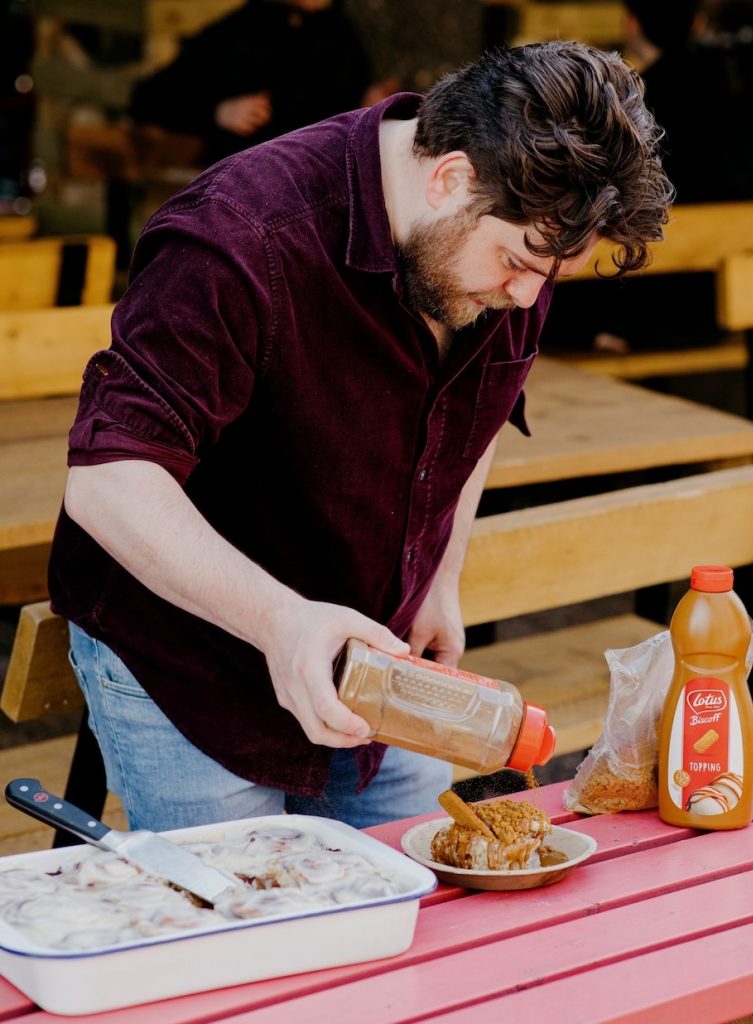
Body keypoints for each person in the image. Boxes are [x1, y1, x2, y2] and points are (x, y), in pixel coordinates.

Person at [48, 40, 673, 833]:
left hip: (375, 654)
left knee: (420, 911)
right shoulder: (239, 234)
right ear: (449, 179)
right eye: (518, 263)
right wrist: (281, 622)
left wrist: (442, 575)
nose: (524, 298)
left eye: (548, 278)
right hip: (191, 659)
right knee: (254, 938)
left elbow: (472, 406)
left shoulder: (522, 229)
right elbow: (109, 476)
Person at [544, 0, 753, 353]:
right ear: (697, 25)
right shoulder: (729, 91)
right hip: (715, 306)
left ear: (631, 23)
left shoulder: (632, 102)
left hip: (651, 303)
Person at [128, 0, 387, 165]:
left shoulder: (341, 35)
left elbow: (347, 106)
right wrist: (216, 112)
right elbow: (147, 98)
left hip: (321, 183)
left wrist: (368, 105)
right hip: (249, 184)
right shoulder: (237, 34)